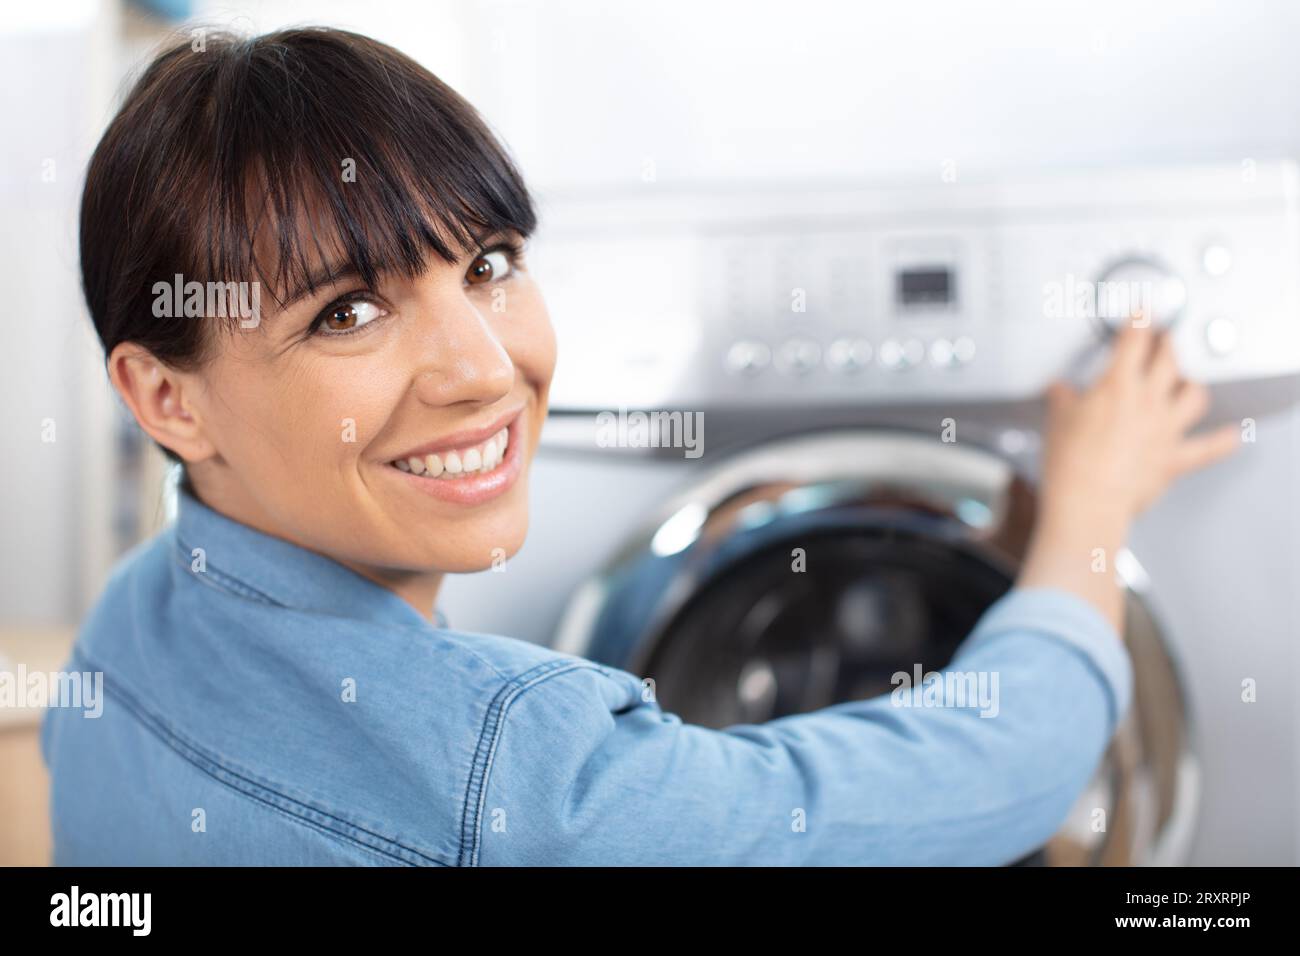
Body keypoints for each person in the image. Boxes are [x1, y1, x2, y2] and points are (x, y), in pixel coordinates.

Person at [41, 26, 1238, 865]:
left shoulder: (136, 613)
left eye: (490, 264)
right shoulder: (518, 771)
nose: (482, 367)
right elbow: (1009, 773)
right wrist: (1086, 513)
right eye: (346, 311)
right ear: (167, 398)